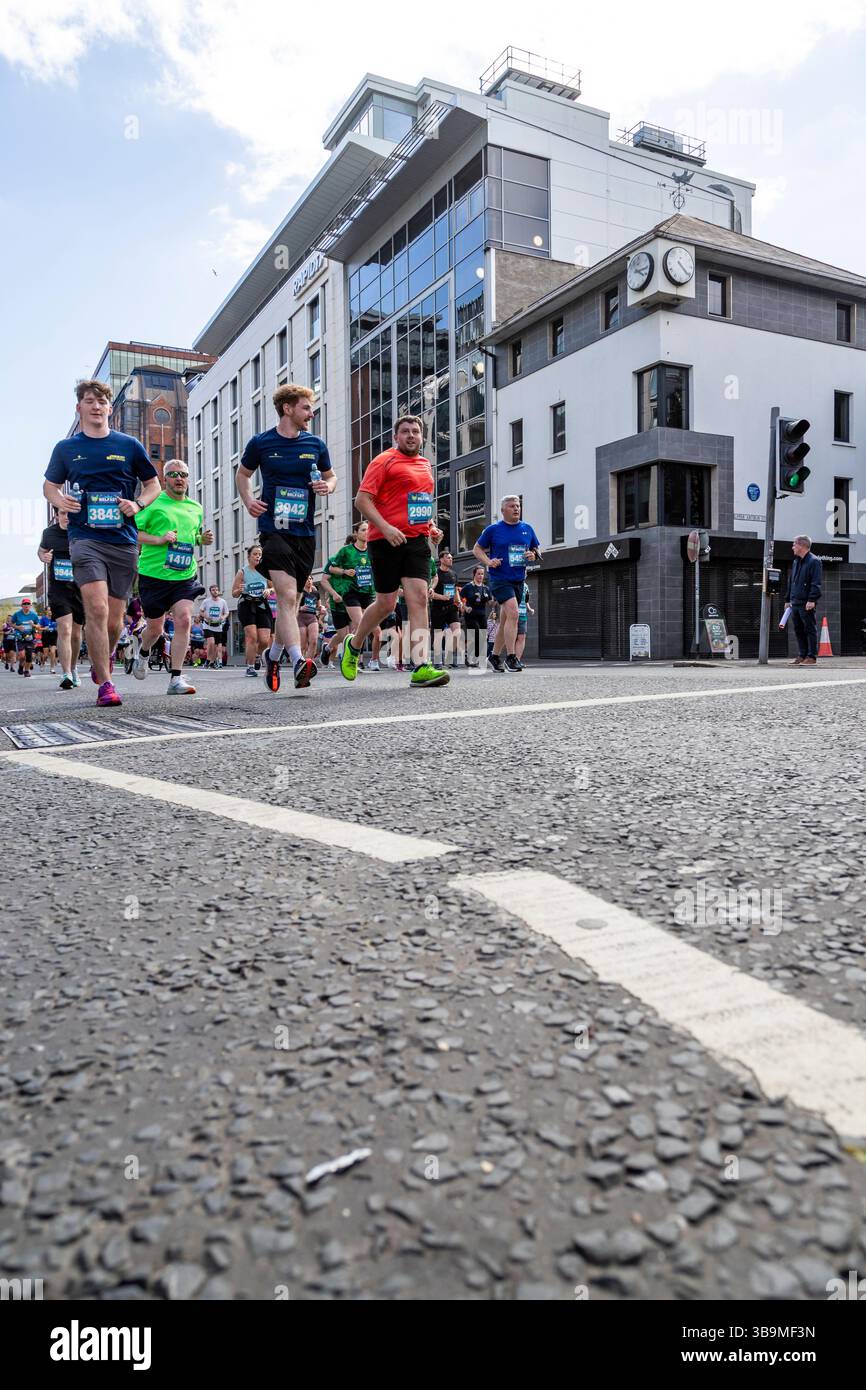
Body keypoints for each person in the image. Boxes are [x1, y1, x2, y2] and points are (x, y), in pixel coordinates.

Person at [43, 379, 160, 706]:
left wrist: (138, 504)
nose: (96, 406)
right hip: (84, 537)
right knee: (95, 608)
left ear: (110, 409)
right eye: (89, 401)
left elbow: (153, 485)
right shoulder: (66, 448)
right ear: (79, 407)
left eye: (102, 402)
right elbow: (49, 486)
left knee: (114, 620)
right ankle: (106, 685)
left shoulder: (129, 445)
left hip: (122, 540)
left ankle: (103, 657)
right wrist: (59, 500)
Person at [237, 383, 336, 692]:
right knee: (288, 596)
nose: (311, 412)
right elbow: (243, 474)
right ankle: (297, 662)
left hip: (305, 532)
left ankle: (274, 654)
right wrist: (248, 501)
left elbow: (331, 477)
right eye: (306, 407)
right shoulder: (261, 443)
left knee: (289, 607)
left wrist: (327, 487)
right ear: (288, 408)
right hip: (273, 529)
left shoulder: (315, 443)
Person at [339, 416, 448, 688]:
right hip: (384, 540)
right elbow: (362, 501)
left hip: (417, 541)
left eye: (416, 431)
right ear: (395, 437)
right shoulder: (383, 461)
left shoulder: (425, 464)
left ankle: (422, 666)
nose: (411, 435)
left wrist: (431, 526)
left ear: (422, 437)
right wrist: (386, 528)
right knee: (386, 603)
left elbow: (419, 503)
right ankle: (355, 644)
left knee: (420, 598)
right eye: (405, 432)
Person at [131, 459, 213, 693]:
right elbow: (132, 532)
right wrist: (159, 539)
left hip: (184, 574)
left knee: (185, 619)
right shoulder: (153, 503)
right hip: (153, 574)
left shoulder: (195, 507)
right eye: (174, 474)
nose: (179, 478)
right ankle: (143, 652)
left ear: (188, 479)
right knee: (155, 629)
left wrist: (201, 539)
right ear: (165, 479)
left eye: (183, 475)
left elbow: (191, 535)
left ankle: (176, 679)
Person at [474, 496, 541, 673]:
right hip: (499, 578)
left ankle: (494, 656)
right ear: (503, 510)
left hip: (518, 579)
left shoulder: (527, 529)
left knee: (506, 620)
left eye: (518, 506)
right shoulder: (493, 530)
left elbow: (535, 549)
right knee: (513, 612)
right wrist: (488, 562)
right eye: (512, 506)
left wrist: (533, 555)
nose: (516, 509)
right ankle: (511, 658)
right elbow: (477, 549)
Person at [38, 506, 85, 689]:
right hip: (59, 589)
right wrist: (44, 557)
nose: (67, 517)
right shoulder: (49, 533)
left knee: (76, 632)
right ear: (57, 515)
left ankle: (73, 669)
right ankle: (65, 674)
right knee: (64, 628)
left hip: (80, 587)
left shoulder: (82, 530)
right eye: (63, 513)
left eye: (70, 514)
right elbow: (41, 551)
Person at [328, 521, 383, 670]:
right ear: (356, 532)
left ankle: (374, 660)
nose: (367, 532)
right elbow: (332, 568)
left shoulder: (373, 550)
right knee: (360, 625)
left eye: (369, 530)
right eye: (363, 530)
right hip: (351, 593)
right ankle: (354, 660)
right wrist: (345, 572)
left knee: (377, 632)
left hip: (368, 593)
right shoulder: (346, 551)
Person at [232, 543, 273, 677]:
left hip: (262, 604)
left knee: (264, 640)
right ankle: (249, 667)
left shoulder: (265, 571)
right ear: (249, 557)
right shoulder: (242, 571)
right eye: (255, 554)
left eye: (260, 554)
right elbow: (234, 593)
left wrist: (269, 590)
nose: (257, 556)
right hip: (246, 605)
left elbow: (275, 588)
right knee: (252, 637)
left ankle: (256, 656)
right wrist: (240, 590)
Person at [783, 534, 823, 666]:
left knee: (809, 629)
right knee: (798, 629)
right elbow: (791, 582)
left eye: (794, 544)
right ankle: (802, 655)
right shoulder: (796, 561)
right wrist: (788, 599)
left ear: (801, 545)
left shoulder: (814, 561)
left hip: (807, 603)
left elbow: (816, 583)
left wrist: (812, 599)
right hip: (795, 602)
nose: (792, 547)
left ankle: (811, 657)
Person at [430, 548, 463, 669]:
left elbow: (455, 590)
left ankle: (449, 658)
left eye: (451, 558)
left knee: (457, 632)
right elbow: (430, 593)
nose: (451, 560)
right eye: (448, 558)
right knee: (438, 635)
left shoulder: (453, 574)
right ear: (442, 559)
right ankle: (438, 661)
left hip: (451, 607)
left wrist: (458, 601)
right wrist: (442, 597)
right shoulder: (435, 575)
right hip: (438, 607)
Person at [460, 565, 491, 668]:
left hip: (482, 615)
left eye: (482, 574)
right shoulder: (468, 587)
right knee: (476, 634)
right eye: (478, 574)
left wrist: (496, 601)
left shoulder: (486, 588)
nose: (481, 576)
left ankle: (474, 658)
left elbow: (491, 602)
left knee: (483, 637)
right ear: (474, 574)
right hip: (471, 615)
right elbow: (460, 599)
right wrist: (465, 607)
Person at [200, 585, 228, 667]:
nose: (215, 591)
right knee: (211, 643)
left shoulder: (223, 601)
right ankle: (208, 659)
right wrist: (206, 616)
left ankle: (211, 661)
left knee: (216, 646)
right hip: (208, 625)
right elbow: (201, 611)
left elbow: (226, 612)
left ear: (219, 591)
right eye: (213, 590)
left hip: (218, 626)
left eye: (216, 590)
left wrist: (223, 617)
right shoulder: (206, 601)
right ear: (210, 591)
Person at [11, 597, 39, 676]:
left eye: (28, 604)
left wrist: (33, 625)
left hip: (30, 638)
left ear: (30, 605)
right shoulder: (17, 614)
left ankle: (26, 671)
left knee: (29, 656)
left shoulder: (34, 615)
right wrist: (18, 627)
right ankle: (20, 666)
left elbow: (38, 625)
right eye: (24, 604)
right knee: (22, 655)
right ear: (22, 605)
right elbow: (11, 623)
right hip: (20, 637)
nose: (26, 605)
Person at [297, 576, 320, 663]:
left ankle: (308, 663)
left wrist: (321, 608)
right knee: (303, 644)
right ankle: (300, 662)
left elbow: (318, 606)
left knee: (313, 642)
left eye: (310, 579)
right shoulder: (299, 592)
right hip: (301, 618)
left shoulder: (316, 593)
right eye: (306, 579)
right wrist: (300, 607)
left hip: (312, 618)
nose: (309, 581)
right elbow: (292, 606)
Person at [516, 581, 535, 664]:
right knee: (512, 638)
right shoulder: (513, 583)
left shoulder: (526, 586)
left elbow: (526, 600)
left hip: (523, 614)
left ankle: (517, 660)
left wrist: (529, 609)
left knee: (522, 637)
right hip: (513, 615)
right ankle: (511, 659)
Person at [39, 608, 58, 673]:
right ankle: (42, 663)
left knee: (53, 652)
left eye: (51, 610)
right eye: (49, 610)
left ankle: (52, 668)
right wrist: (44, 628)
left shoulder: (56, 618)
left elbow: (60, 626)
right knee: (46, 654)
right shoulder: (43, 619)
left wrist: (57, 628)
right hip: (46, 635)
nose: (50, 611)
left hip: (54, 635)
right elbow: (39, 628)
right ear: (46, 611)